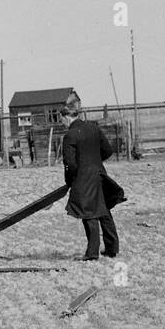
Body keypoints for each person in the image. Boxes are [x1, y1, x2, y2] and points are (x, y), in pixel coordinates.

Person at [60, 97, 125, 261]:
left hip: (83, 179)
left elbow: (70, 164)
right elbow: (108, 151)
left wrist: (71, 180)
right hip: (99, 175)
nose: (62, 124)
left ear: (67, 117)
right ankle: (112, 249)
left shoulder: (70, 135)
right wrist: (94, 162)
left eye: (62, 120)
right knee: (104, 211)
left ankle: (92, 253)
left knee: (88, 214)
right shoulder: (93, 128)